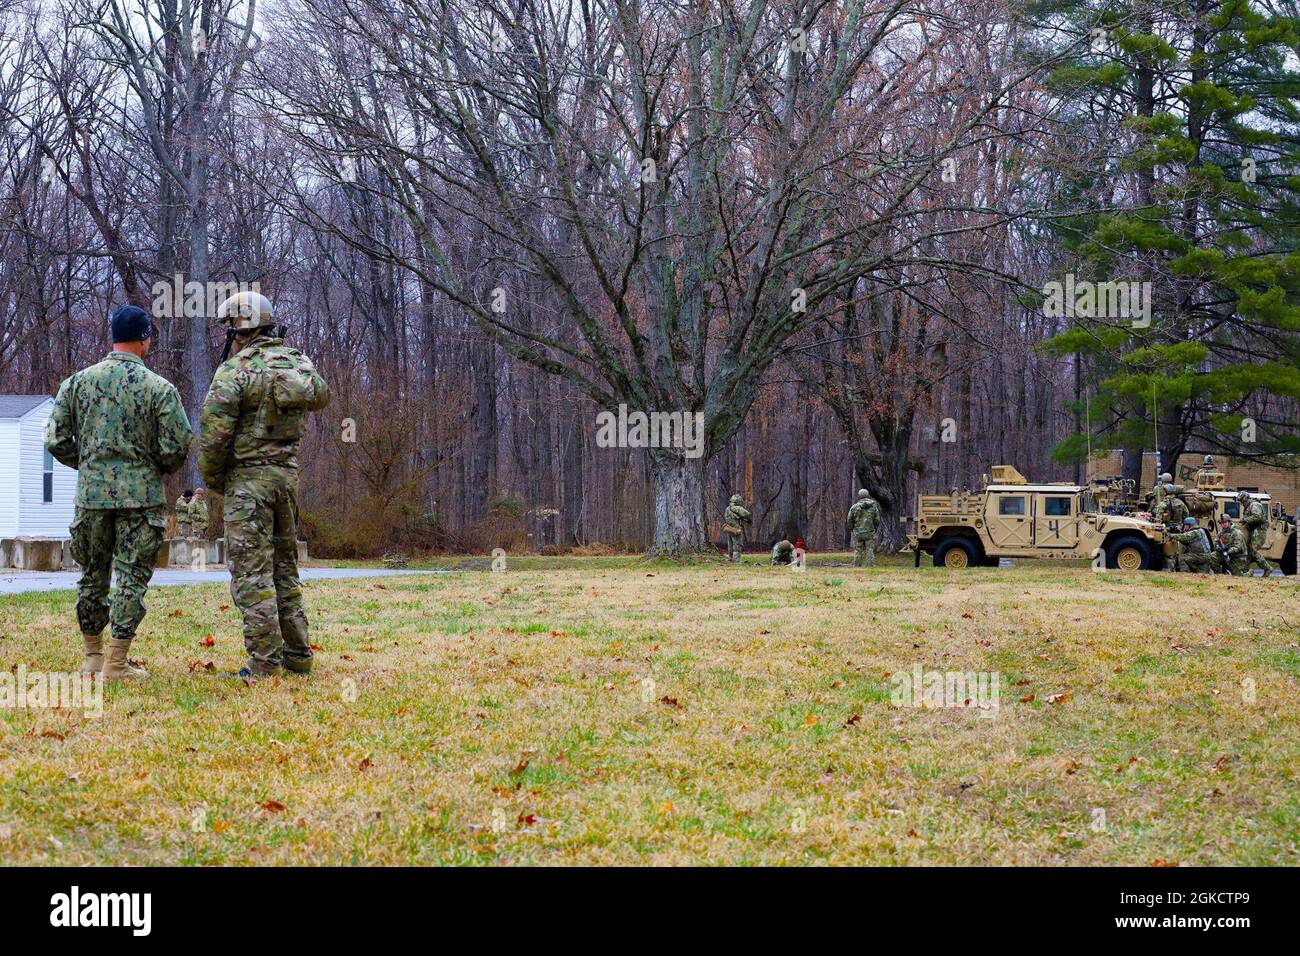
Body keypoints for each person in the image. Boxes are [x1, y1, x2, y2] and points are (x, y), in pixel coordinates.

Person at [44, 305, 192, 680]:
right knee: (130, 577)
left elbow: (56, 439)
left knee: (92, 574)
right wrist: (149, 466)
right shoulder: (159, 388)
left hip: (91, 498)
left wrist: (92, 465)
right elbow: (176, 445)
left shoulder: (77, 383)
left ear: (114, 337)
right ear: (144, 340)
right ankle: (117, 662)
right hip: (140, 500)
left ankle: (92, 656)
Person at [199, 292, 330, 680]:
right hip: (285, 480)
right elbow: (321, 394)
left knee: (252, 575)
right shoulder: (296, 362)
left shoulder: (235, 370)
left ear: (238, 330)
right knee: (285, 569)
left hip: (248, 485)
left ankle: (264, 664)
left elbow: (213, 438)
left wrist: (216, 481)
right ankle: (298, 655)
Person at [1238, 490, 1277, 575]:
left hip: (1259, 531)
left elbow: (1257, 517)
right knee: (1248, 550)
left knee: (1253, 550)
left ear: (1246, 499)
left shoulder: (1254, 505)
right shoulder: (1248, 507)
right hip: (1253, 531)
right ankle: (1245, 571)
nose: (1242, 503)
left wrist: (1245, 520)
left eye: (1242, 501)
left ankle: (1268, 568)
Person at [847, 489, 881, 567]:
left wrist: (852, 528)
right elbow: (877, 520)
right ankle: (871, 565)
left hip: (858, 533)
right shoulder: (873, 507)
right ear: (867, 495)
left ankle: (857, 565)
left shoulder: (854, 507)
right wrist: (874, 528)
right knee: (869, 550)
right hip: (869, 532)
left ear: (859, 496)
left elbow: (849, 520)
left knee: (858, 550)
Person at [723, 494, 751, 563]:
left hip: (729, 528)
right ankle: (736, 559)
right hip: (736, 529)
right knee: (737, 544)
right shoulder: (738, 508)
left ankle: (730, 557)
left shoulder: (727, 508)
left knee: (730, 543)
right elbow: (747, 514)